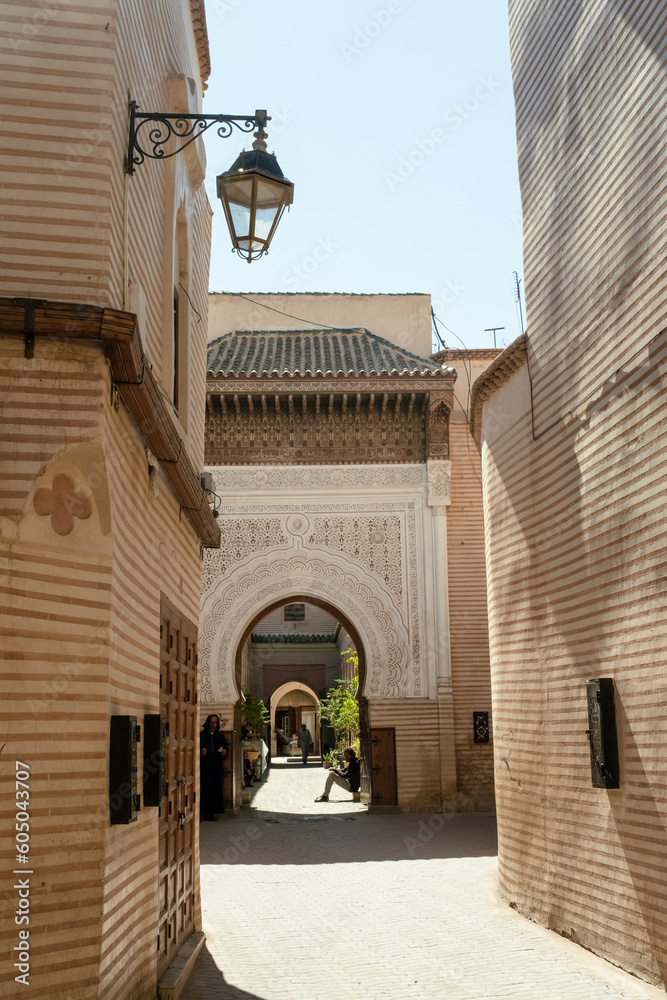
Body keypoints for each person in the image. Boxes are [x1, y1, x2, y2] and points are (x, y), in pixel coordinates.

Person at [199, 714, 228, 820]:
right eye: (211, 722)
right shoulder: (201, 736)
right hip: (205, 767)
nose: (213, 725)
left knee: (215, 788)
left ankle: (213, 811)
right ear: (208, 722)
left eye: (215, 722)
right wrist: (202, 753)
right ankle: (205, 811)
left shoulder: (220, 736)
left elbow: (224, 749)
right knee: (205, 789)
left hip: (216, 766)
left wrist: (224, 753)